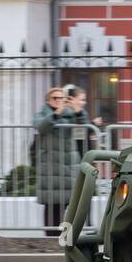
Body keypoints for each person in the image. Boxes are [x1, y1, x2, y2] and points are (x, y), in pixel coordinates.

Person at [33, 87, 83, 236]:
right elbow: (41, 127)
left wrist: (78, 111)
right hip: (51, 169)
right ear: (48, 100)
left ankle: (66, 239)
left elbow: (85, 127)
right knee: (52, 207)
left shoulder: (71, 114)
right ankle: (50, 239)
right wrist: (56, 114)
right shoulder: (42, 114)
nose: (59, 101)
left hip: (68, 168)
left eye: (62, 98)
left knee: (69, 207)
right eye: (55, 98)